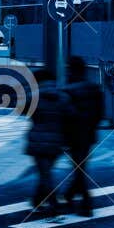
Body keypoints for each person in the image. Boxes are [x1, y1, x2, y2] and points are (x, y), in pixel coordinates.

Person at [61, 56, 105, 216]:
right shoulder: (94, 89)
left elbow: (65, 115)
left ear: (72, 70)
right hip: (88, 134)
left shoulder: (68, 90)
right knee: (80, 166)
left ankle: (87, 203)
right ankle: (70, 194)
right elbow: (100, 114)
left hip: (73, 135)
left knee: (79, 168)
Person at [24, 68, 70, 216]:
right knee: (46, 171)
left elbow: (24, 111)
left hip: (38, 140)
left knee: (45, 173)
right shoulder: (63, 97)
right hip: (57, 141)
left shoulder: (33, 97)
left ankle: (53, 204)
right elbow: (70, 115)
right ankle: (37, 200)